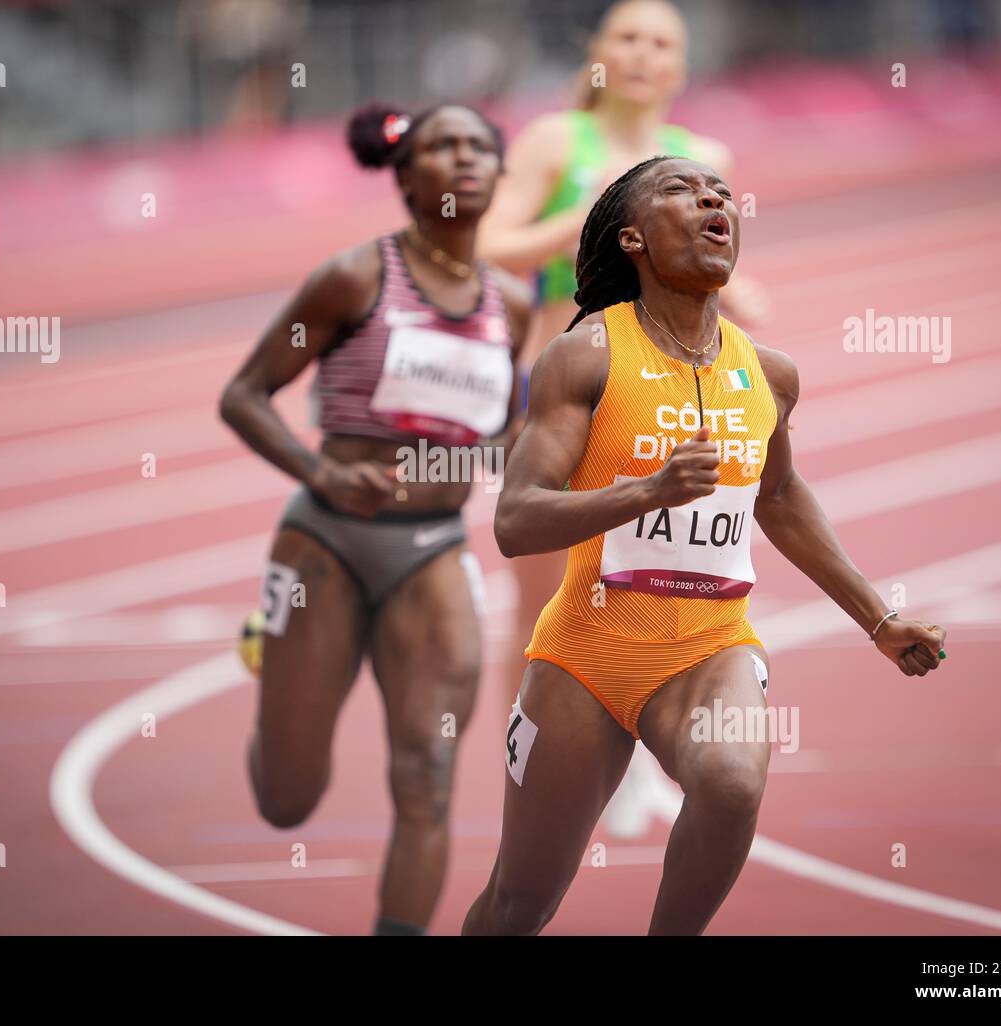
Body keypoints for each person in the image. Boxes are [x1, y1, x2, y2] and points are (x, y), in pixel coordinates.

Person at [462, 155, 946, 935]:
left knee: (729, 782)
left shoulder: (768, 374)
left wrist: (878, 619)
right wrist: (646, 491)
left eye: (718, 192)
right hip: (582, 657)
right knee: (520, 903)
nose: (712, 198)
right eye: (681, 192)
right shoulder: (584, 357)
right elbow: (516, 520)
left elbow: (780, 496)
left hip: (711, 650)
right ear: (633, 240)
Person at [220, 101, 531, 936]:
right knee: (287, 801)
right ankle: (271, 645)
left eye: (479, 146)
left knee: (428, 771)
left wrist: (501, 452)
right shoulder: (355, 277)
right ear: (403, 177)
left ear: (500, 176)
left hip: (431, 550)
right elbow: (243, 395)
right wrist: (319, 468)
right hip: (326, 539)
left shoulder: (512, 306)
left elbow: (503, 437)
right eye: (441, 145)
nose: (464, 158)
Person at [476, 5, 770, 836]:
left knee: (656, 582)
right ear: (597, 56)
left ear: (681, 68)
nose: (643, 55)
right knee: (548, 598)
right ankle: (530, 767)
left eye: (662, 44)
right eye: (627, 39)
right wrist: (580, 227)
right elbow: (486, 247)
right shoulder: (555, 143)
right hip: (565, 389)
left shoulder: (704, 157)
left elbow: (714, 273)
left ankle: (638, 758)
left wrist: (742, 295)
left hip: (673, 401)